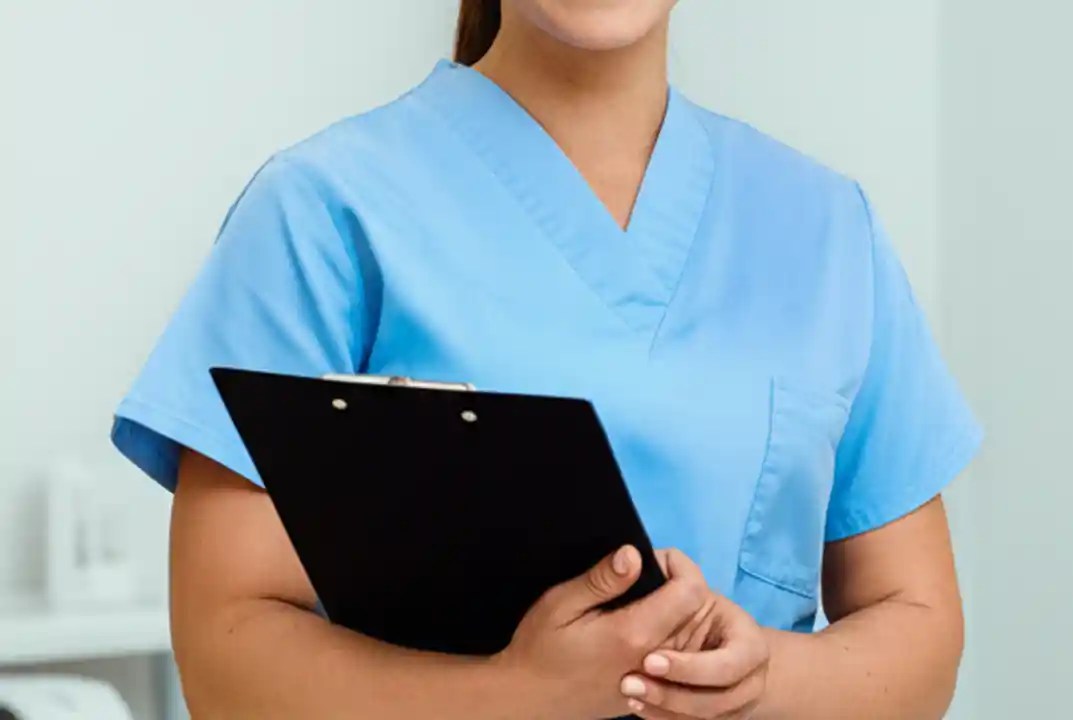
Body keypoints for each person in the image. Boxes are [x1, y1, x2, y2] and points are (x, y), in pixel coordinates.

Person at [110, 1, 982, 717]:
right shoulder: (323, 212)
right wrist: (515, 695)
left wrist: (764, 679)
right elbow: (228, 655)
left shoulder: (825, 226)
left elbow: (919, 628)